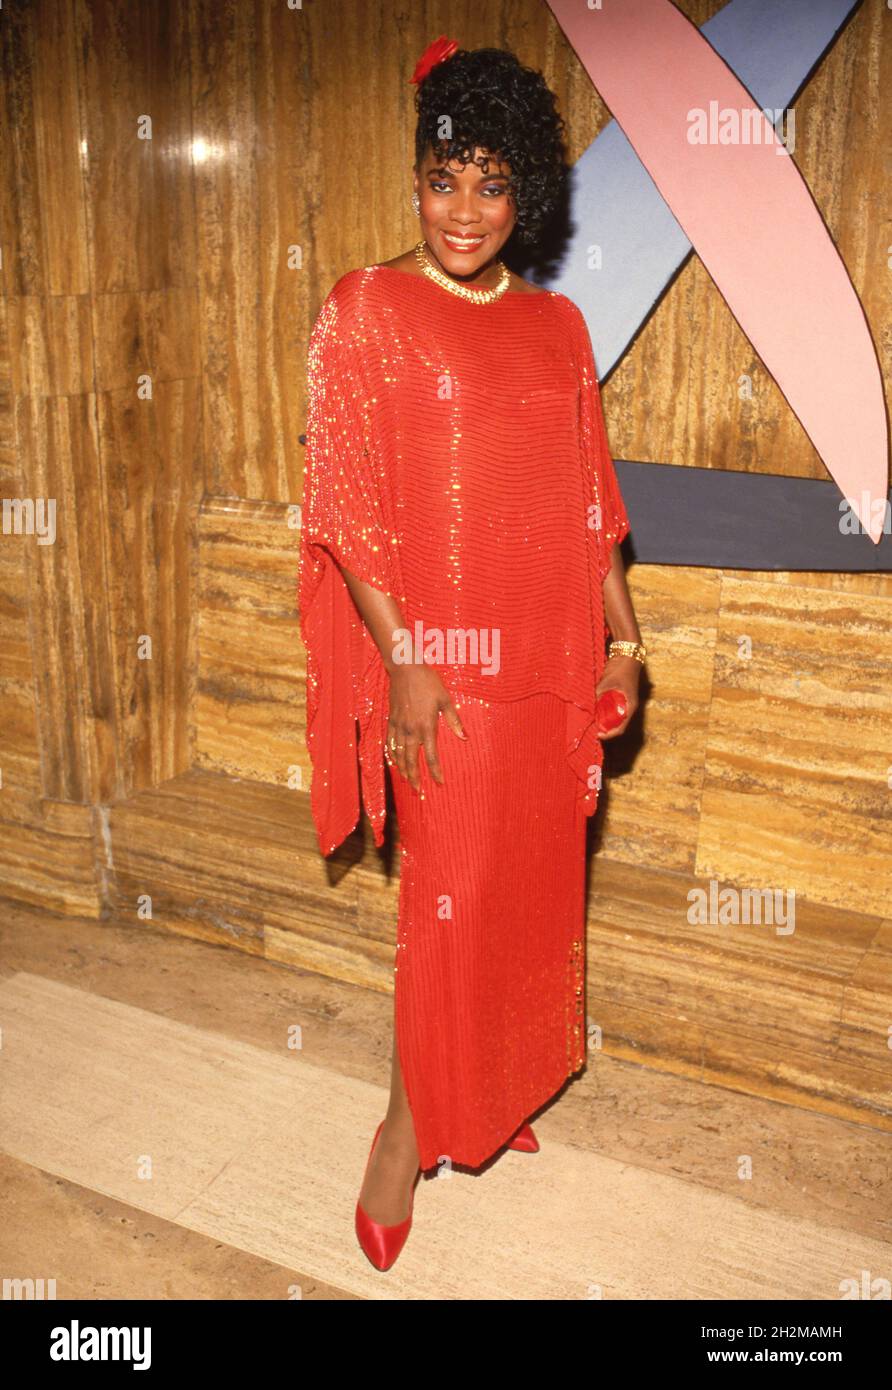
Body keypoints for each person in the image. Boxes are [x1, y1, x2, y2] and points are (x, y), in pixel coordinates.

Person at [298, 36, 646, 1272]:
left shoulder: (556, 326)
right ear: (415, 174)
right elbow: (346, 502)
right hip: (440, 667)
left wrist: (623, 639)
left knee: (525, 899)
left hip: (548, 661)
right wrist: (399, 655)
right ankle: (405, 1129)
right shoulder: (365, 309)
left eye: (492, 184)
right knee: (446, 911)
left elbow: (584, 503)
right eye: (444, 177)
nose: (463, 210)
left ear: (525, 197)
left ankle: (490, 1096)